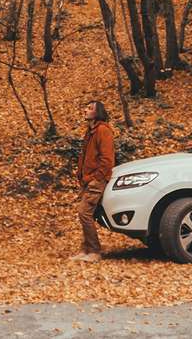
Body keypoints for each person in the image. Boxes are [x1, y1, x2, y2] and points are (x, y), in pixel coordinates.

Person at [71, 98, 115, 262]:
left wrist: (94, 178)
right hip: (87, 180)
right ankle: (86, 250)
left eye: (89, 108)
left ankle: (95, 251)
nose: (85, 110)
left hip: (96, 180)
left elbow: (107, 160)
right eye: (86, 107)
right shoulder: (90, 131)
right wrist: (82, 176)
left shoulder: (103, 130)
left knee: (84, 212)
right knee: (86, 214)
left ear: (98, 113)